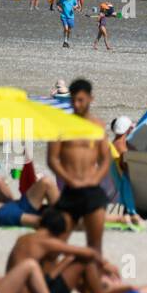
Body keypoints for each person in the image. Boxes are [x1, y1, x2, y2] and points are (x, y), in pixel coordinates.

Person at [7, 208, 117, 293]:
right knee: (85, 262)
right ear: (57, 232)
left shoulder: (25, 238)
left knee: (78, 269)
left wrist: (68, 259)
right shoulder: (46, 241)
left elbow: (49, 276)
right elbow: (89, 253)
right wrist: (105, 264)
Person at [47, 78, 110, 255]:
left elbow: (105, 159)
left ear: (91, 99)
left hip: (92, 190)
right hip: (70, 190)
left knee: (95, 247)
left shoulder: (98, 126)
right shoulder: (62, 126)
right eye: (73, 100)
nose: (76, 104)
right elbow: (52, 159)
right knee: (56, 244)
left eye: (81, 100)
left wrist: (96, 179)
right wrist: (69, 180)